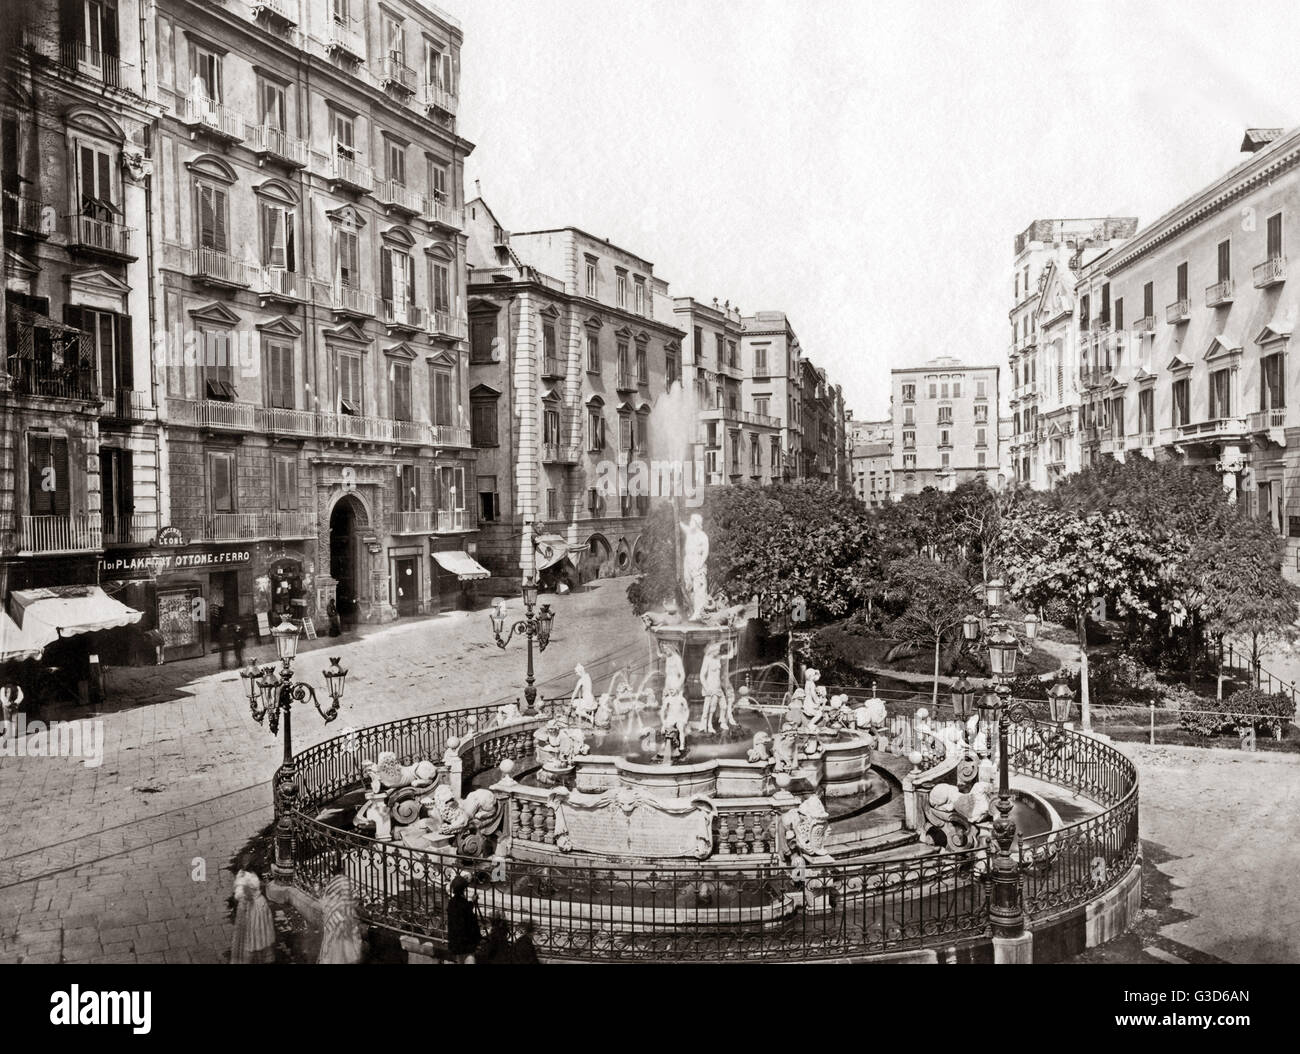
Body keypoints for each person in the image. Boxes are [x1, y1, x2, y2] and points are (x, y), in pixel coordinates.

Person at [318, 865, 365, 964]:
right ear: (343, 871)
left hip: (333, 919)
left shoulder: (331, 884)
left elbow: (325, 903)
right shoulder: (344, 882)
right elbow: (348, 901)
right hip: (343, 917)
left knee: (332, 946)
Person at [230, 870, 276, 964]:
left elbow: (244, 895)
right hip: (255, 908)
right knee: (255, 938)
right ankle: (259, 954)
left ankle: (255, 955)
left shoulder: (246, 882)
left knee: (254, 938)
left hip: (255, 911)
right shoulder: (246, 879)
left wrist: (246, 897)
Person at [446, 875, 481, 963]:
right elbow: (472, 922)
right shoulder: (464, 905)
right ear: (464, 890)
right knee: (469, 958)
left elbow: (464, 907)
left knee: (459, 960)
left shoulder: (452, 903)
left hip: (455, 942)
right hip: (467, 943)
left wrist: (472, 902)